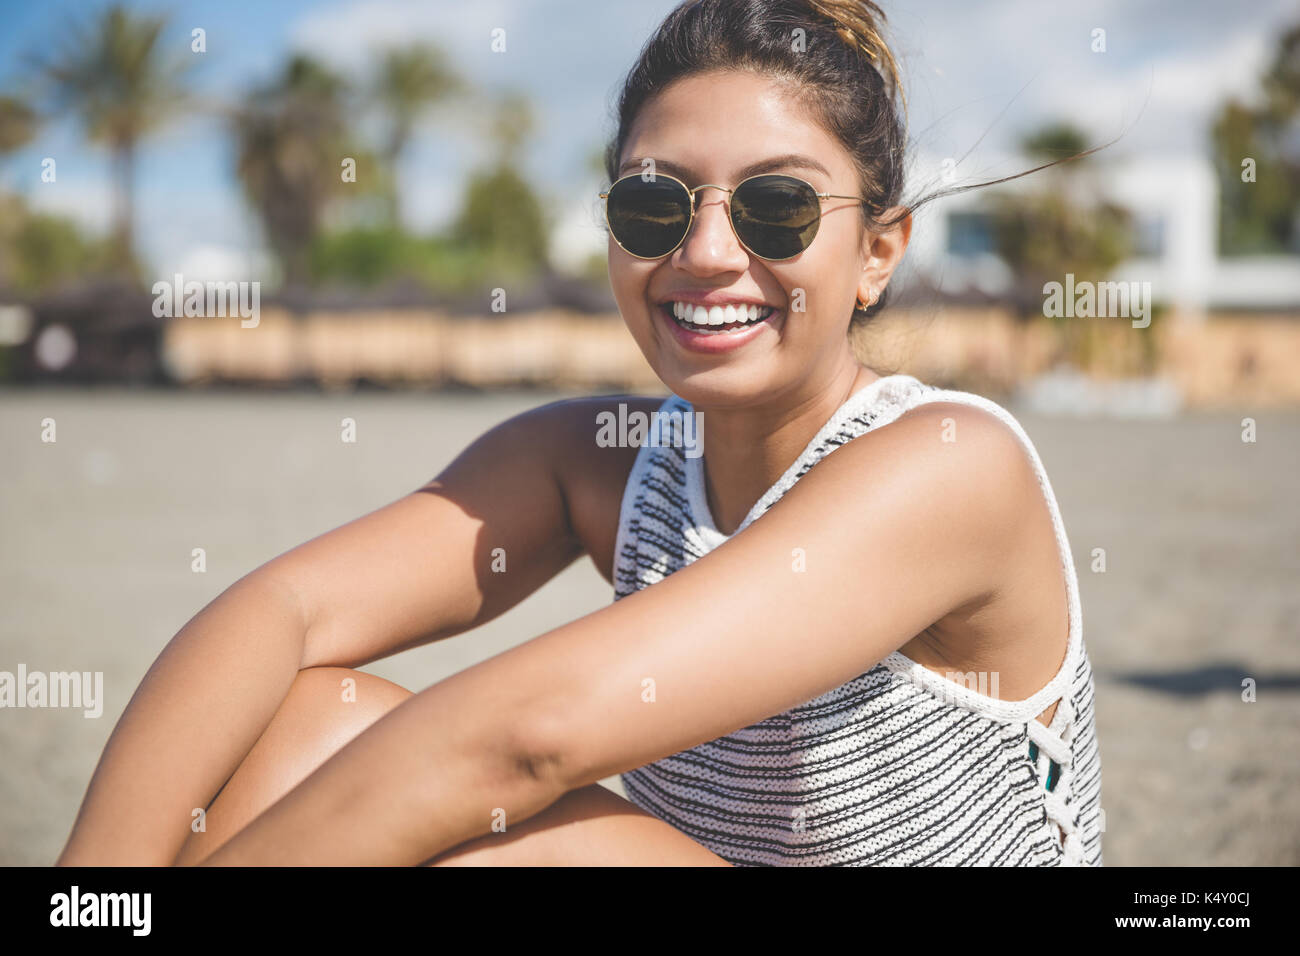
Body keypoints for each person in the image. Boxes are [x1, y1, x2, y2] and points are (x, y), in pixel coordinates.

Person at [57, 0, 1102, 867]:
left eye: (775, 207)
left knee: (491, 832)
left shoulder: (951, 465)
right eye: (655, 204)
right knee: (305, 726)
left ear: (877, 252)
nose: (705, 251)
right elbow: (282, 610)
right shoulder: (595, 458)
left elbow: (524, 743)